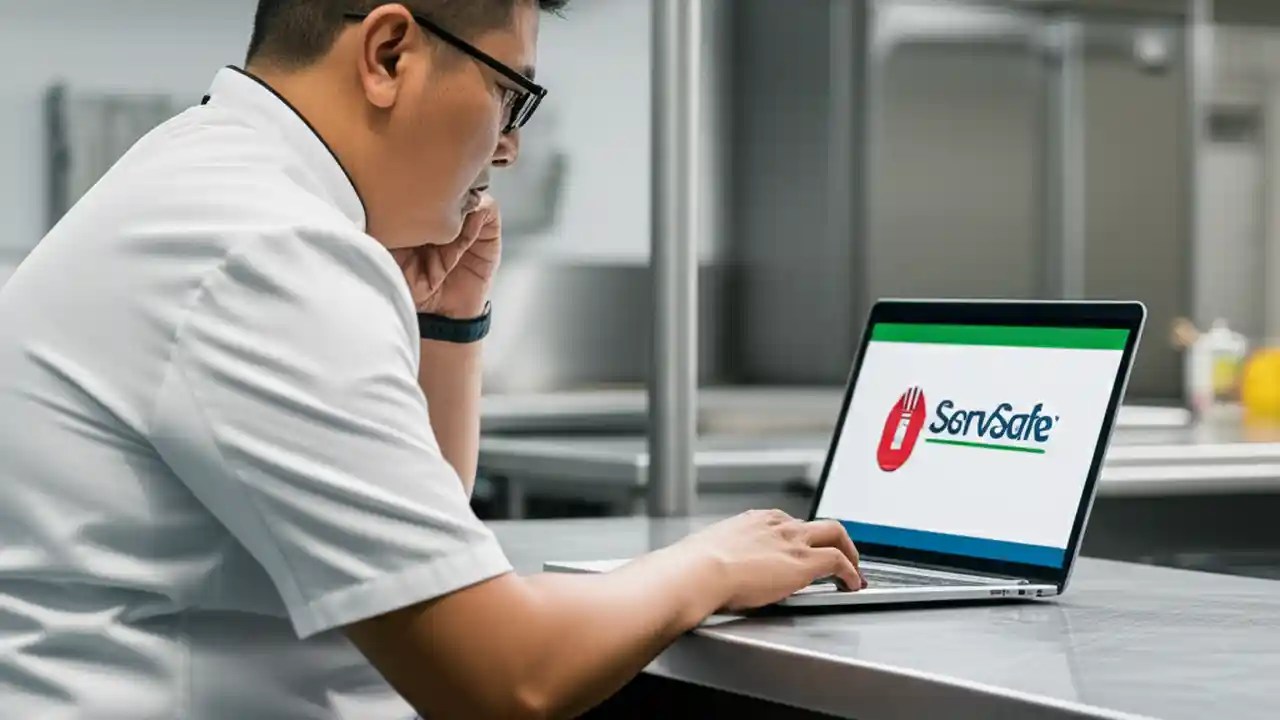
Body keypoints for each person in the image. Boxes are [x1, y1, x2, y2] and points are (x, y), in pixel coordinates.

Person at [0, 1, 864, 718]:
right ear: (387, 54)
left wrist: (449, 325)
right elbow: (505, 678)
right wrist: (708, 564)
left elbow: (423, 558)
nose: (508, 146)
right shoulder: (268, 248)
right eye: (508, 91)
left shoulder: (211, 180)